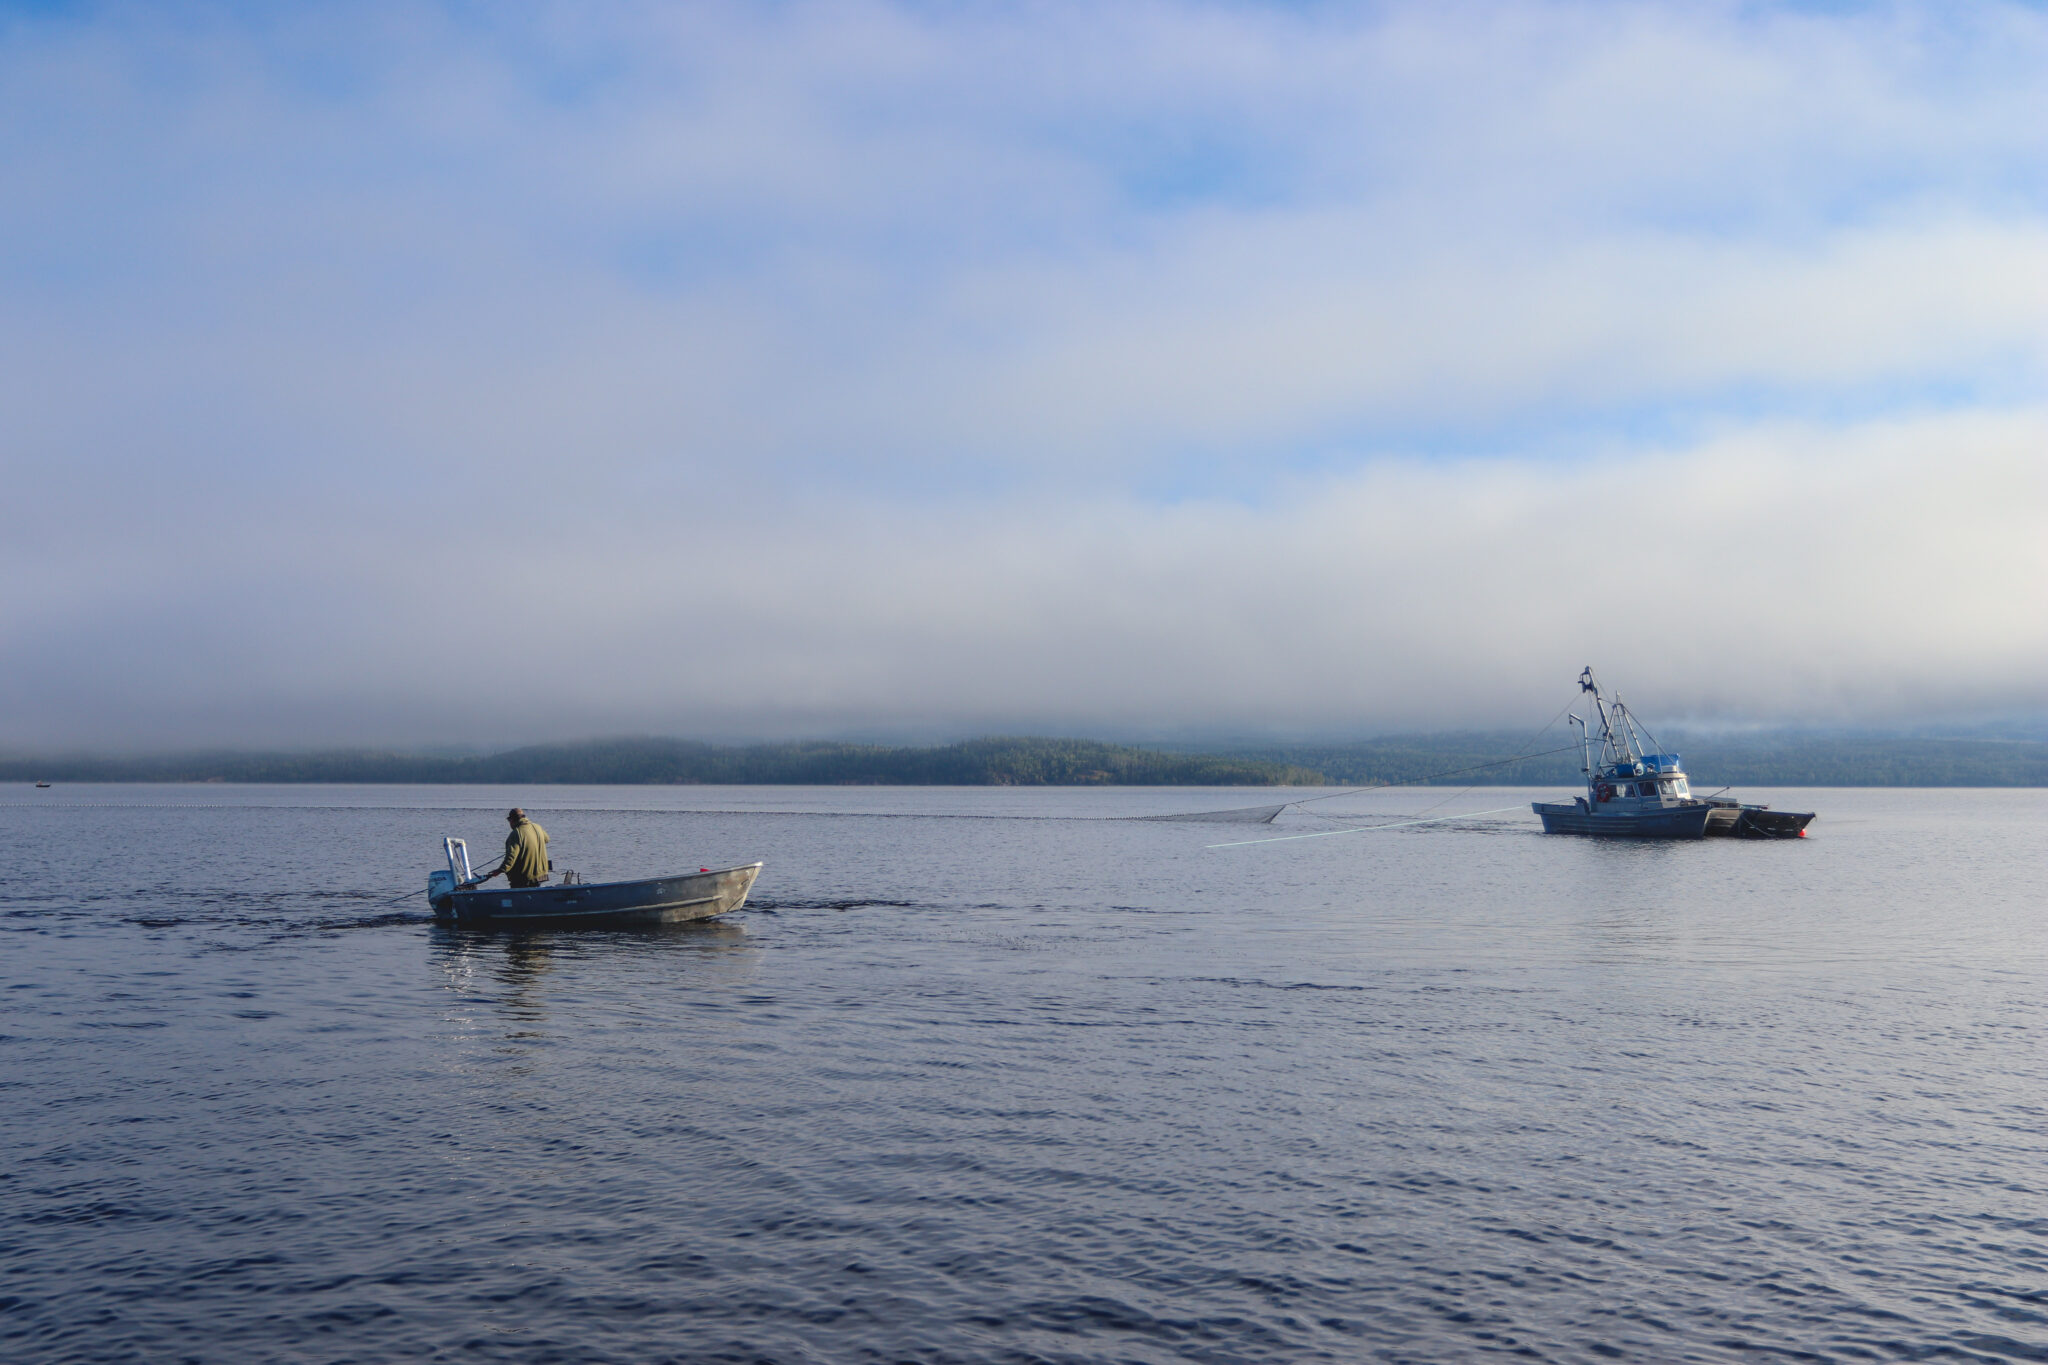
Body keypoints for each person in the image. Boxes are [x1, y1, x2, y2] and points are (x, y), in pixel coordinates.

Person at [468, 808, 550, 888]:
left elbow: (510, 858)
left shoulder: (516, 833)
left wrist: (499, 870)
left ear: (512, 820)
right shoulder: (537, 827)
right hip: (542, 875)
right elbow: (546, 839)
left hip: (524, 878)